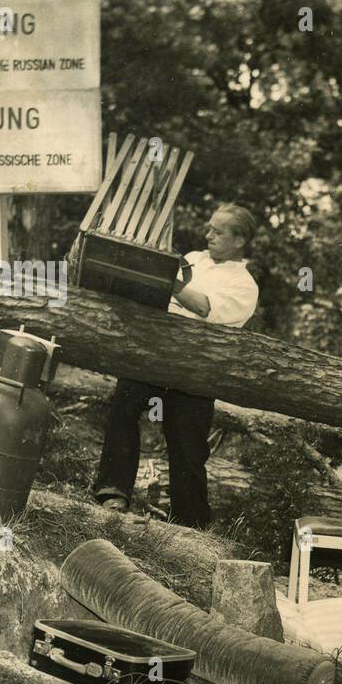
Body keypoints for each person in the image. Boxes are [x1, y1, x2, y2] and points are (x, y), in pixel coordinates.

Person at [93, 204, 260, 528]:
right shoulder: (194, 259)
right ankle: (113, 493)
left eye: (218, 231)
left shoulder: (244, 284)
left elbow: (202, 306)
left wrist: (164, 278)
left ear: (240, 240)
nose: (208, 235)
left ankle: (190, 524)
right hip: (157, 352)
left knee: (187, 447)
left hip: (196, 368)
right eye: (209, 228)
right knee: (123, 407)